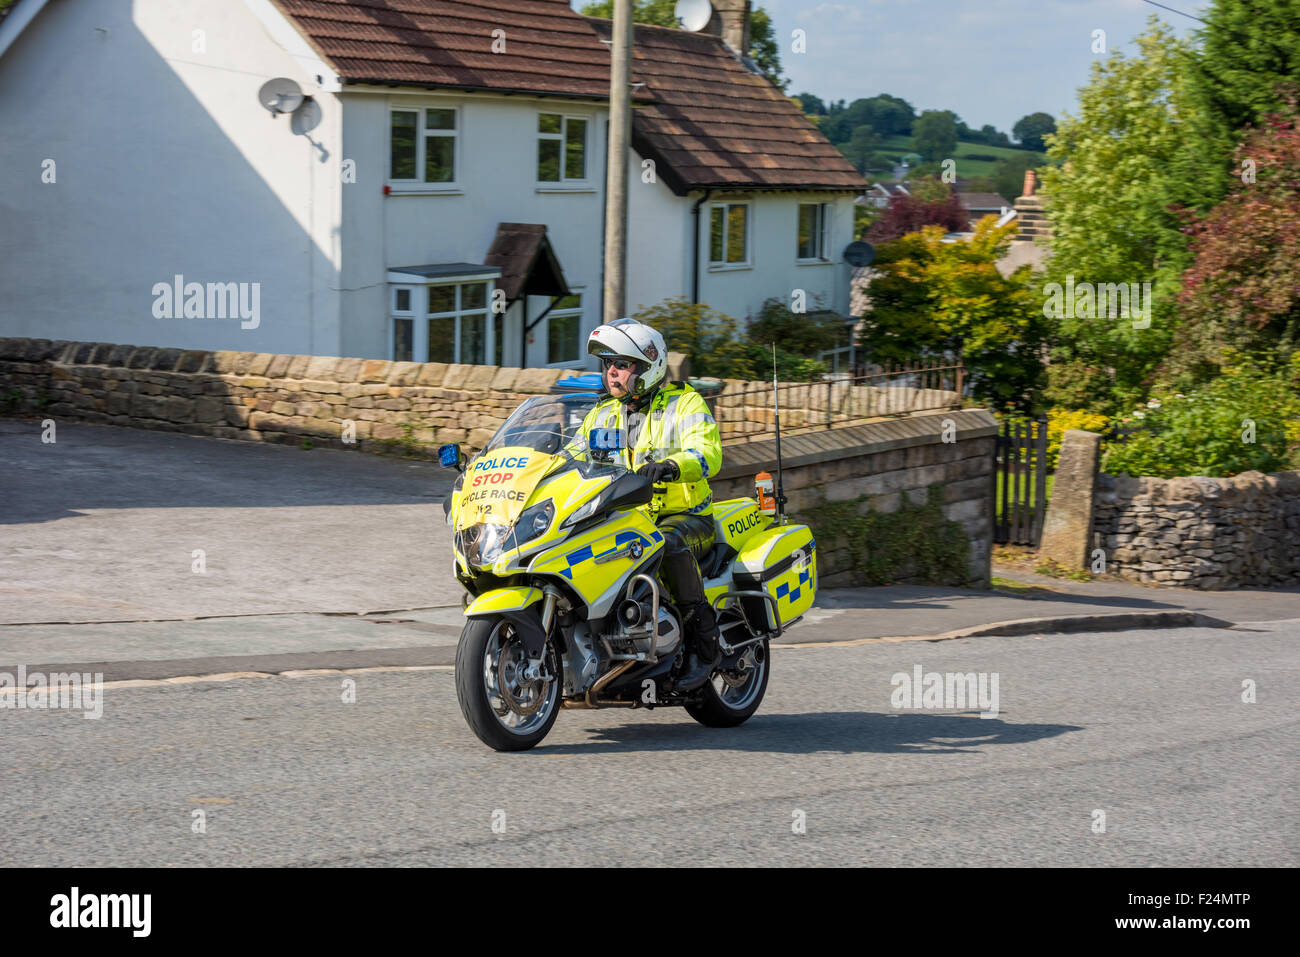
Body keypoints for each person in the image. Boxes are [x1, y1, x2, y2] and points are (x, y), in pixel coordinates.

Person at [579, 318, 723, 692]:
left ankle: (703, 639)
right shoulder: (601, 414)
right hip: (623, 519)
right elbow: (570, 456)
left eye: (621, 364)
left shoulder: (684, 402)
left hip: (685, 518)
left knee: (666, 544)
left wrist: (673, 466)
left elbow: (709, 453)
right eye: (608, 364)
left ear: (647, 367)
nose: (611, 372)